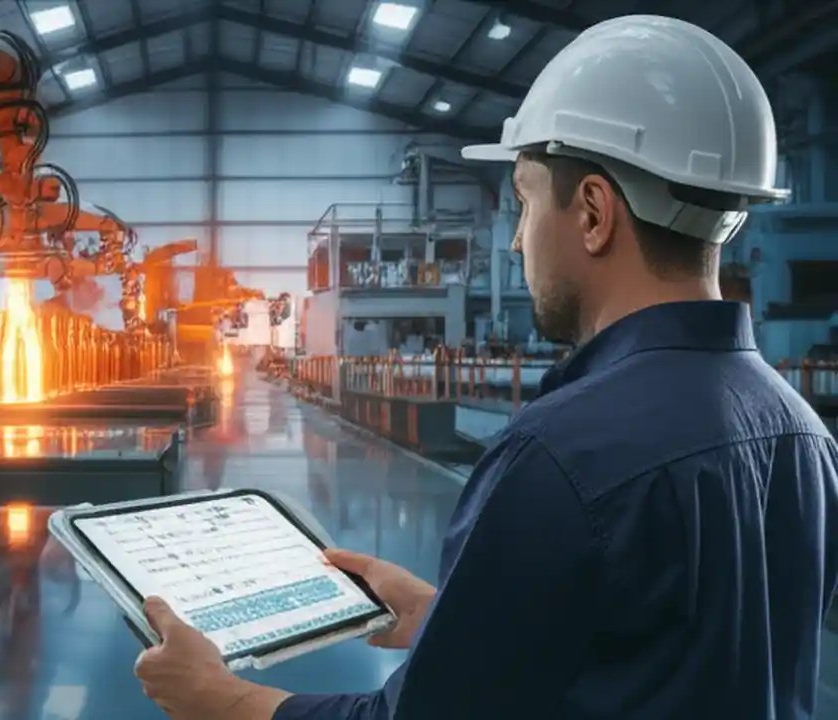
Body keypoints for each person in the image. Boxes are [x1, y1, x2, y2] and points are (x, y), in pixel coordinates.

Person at [133, 14, 838, 719]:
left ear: (592, 212)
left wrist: (224, 698)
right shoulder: (805, 437)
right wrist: (450, 617)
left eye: (527, 201)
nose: (515, 244)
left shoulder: (561, 455)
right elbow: (664, 653)